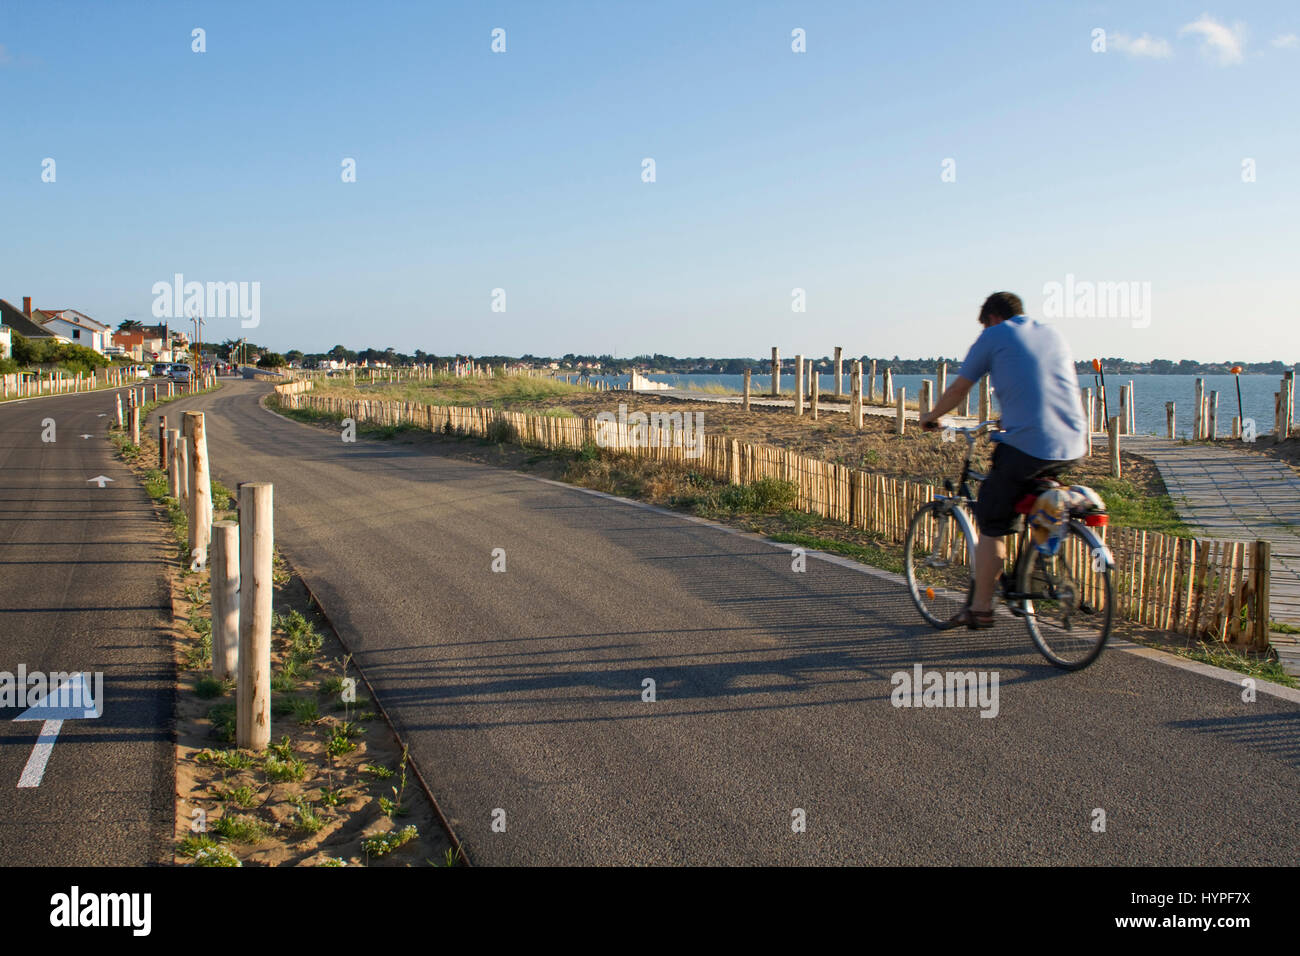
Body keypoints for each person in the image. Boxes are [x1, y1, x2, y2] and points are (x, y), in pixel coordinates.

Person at [918, 292, 1088, 629]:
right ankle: (1031, 567)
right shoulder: (1052, 334)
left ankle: (980, 608)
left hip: (1028, 447)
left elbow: (959, 390)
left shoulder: (994, 334)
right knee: (1032, 495)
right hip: (1074, 445)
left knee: (992, 522)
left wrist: (931, 416)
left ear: (992, 317)